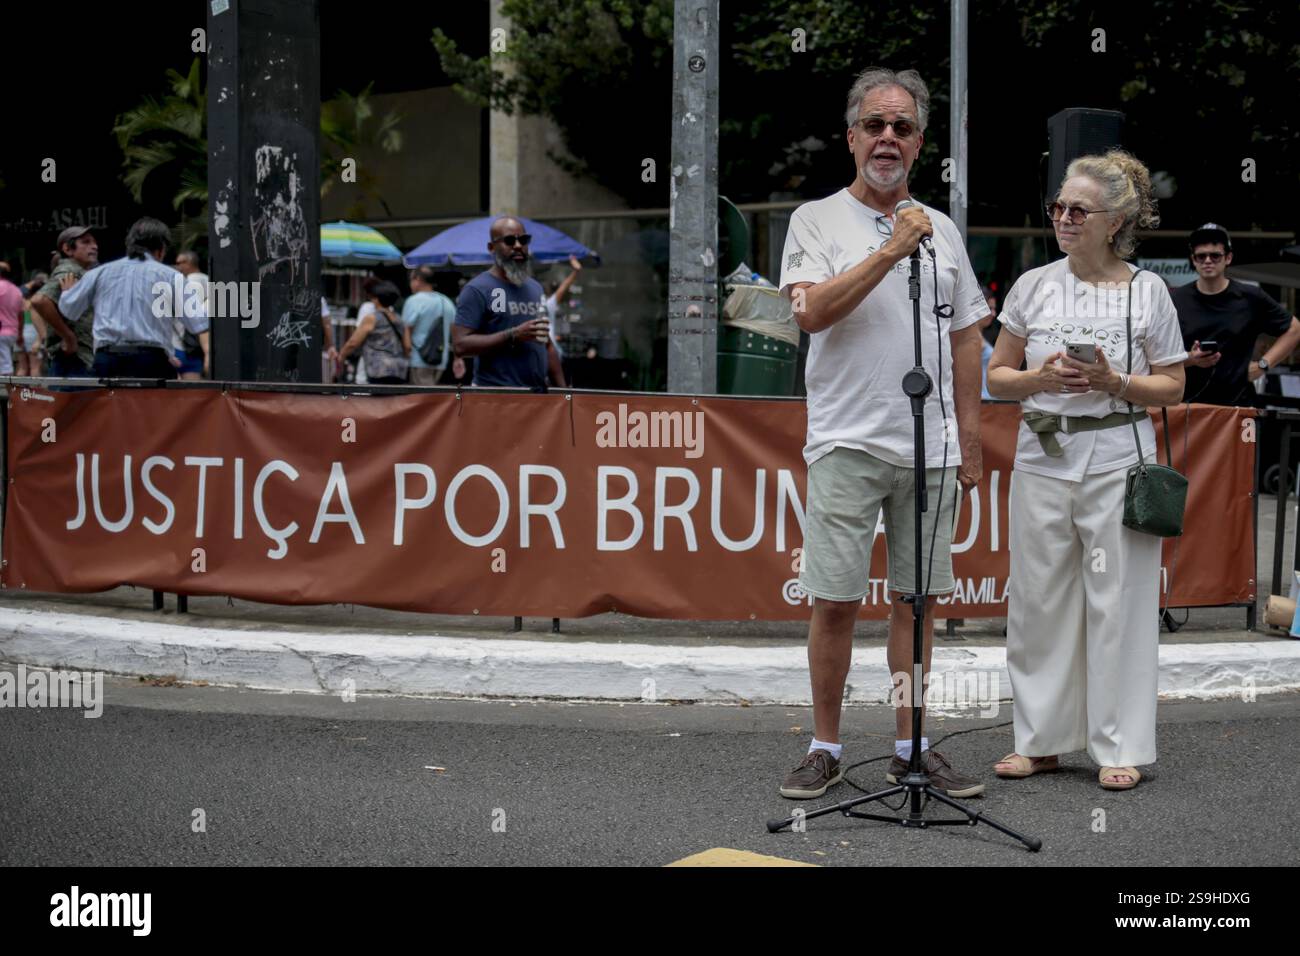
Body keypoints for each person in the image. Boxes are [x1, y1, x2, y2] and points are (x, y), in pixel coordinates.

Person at [776, 67, 990, 800]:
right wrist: (891, 249)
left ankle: (911, 746)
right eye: (875, 124)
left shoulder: (945, 229)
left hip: (929, 449)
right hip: (846, 440)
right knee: (834, 600)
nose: (888, 138)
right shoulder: (816, 219)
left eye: (902, 127)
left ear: (921, 142)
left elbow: (967, 340)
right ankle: (824, 745)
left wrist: (971, 439)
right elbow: (810, 314)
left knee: (916, 604)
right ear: (851, 136)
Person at [987, 150, 1187, 791]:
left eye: (1079, 209)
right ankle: (1040, 741)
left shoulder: (1146, 289)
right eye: (1058, 208)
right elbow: (996, 377)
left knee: (1120, 603)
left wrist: (1114, 380)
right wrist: (1038, 378)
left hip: (1118, 461)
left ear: (1116, 219)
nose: (1065, 218)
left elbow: (1173, 386)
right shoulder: (1034, 283)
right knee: (1039, 601)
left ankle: (1120, 745)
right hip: (1042, 457)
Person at [58, 217, 209, 378]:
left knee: (111, 404)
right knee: (151, 403)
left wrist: (67, 293)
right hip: (151, 362)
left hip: (108, 360)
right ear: (161, 249)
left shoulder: (99, 273)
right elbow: (197, 324)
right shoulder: (171, 276)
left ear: (130, 244)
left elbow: (69, 310)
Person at [1173, 223, 1300, 405]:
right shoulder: (1176, 299)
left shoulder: (1250, 297)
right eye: (1201, 256)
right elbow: (1158, 355)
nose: (1208, 260)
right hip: (1188, 406)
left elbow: (1294, 329)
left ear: (1228, 258)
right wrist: (1190, 359)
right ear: (1193, 260)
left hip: (1239, 406)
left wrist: (1263, 365)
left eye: (1215, 255)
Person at [451, 216, 566, 389]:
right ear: (491, 248)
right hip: (496, 398)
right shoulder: (477, 289)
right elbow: (460, 345)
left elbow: (546, 343)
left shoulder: (535, 288)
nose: (518, 246)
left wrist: (563, 393)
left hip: (537, 398)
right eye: (509, 241)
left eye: (524, 240)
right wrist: (513, 335)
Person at [29, 226, 99, 377]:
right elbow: (39, 300)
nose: (94, 246)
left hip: (78, 358)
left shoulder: (81, 271)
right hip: (74, 360)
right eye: (86, 242)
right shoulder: (70, 271)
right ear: (67, 249)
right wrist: (68, 337)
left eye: (94, 242)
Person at [338, 279, 410, 384]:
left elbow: (353, 343)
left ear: (376, 299)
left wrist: (342, 355)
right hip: (399, 370)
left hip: (378, 369)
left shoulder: (372, 318)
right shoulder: (400, 320)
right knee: (394, 400)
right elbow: (407, 347)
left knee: (378, 399)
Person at [403, 265, 455, 385]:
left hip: (419, 359)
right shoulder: (446, 301)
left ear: (418, 280)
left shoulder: (414, 300)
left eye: (411, 279)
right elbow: (454, 332)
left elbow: (407, 331)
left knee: (421, 400)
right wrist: (457, 358)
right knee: (432, 397)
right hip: (441, 360)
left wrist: (407, 355)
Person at [172, 251, 211, 379]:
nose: (177, 266)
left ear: (189, 263)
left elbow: (197, 317)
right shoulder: (210, 281)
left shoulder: (187, 283)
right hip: (197, 349)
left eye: (179, 263)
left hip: (183, 346)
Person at [0, 263, 22, 376]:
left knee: (6, 366)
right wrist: (20, 334)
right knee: (5, 362)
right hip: (12, 332)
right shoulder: (16, 290)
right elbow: (20, 314)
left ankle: (11, 392)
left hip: (1, 331)